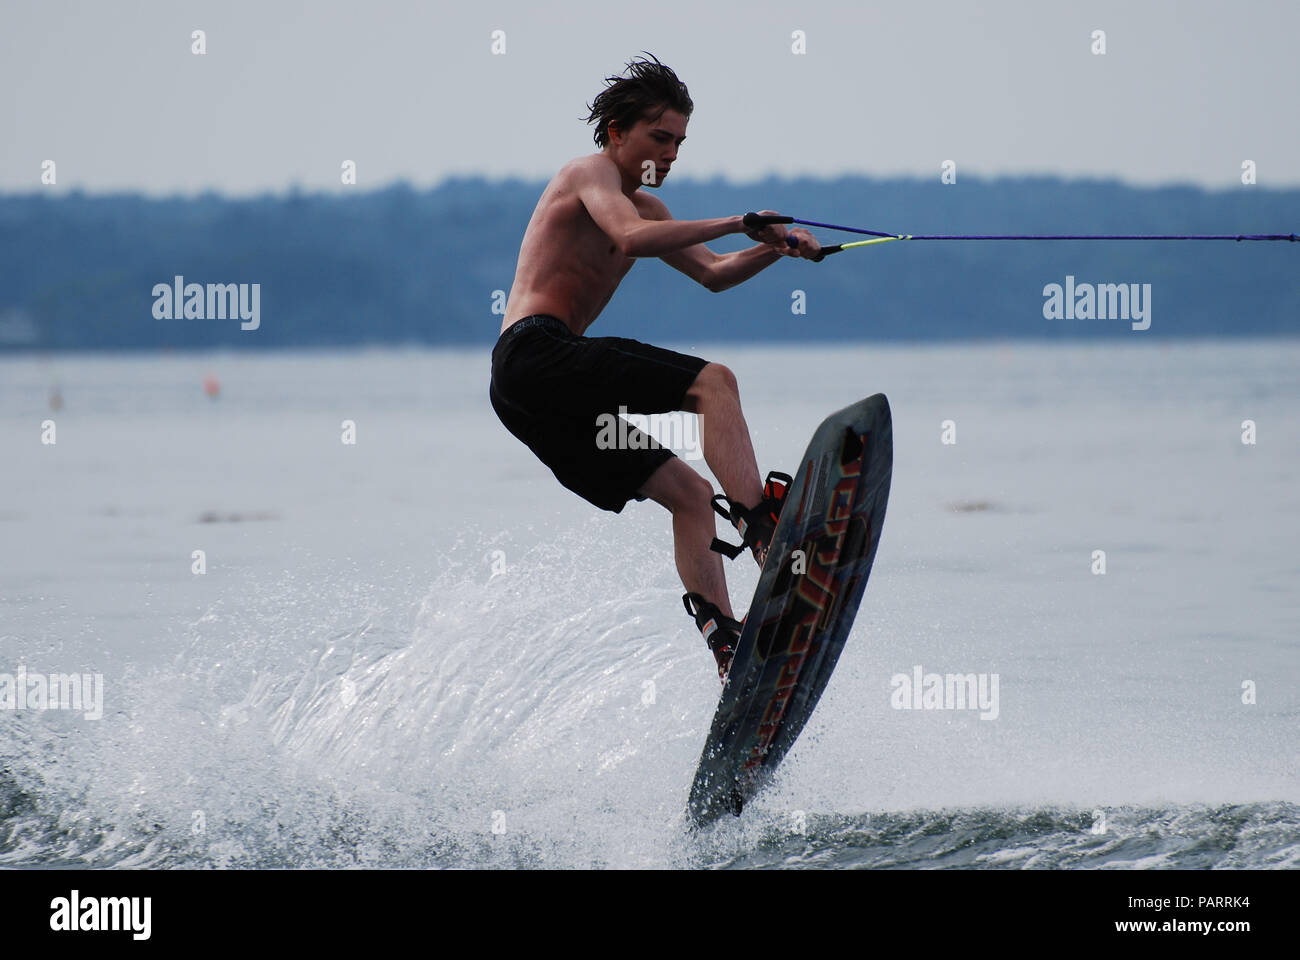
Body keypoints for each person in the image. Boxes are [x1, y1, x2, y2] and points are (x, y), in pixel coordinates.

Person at [489, 53, 820, 682]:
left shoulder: (653, 210)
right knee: (714, 383)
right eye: (657, 138)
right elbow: (628, 238)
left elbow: (715, 275)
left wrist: (774, 247)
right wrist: (739, 219)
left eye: (678, 144)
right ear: (616, 130)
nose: (668, 155)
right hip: (534, 352)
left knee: (690, 496)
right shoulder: (588, 174)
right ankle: (765, 536)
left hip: (531, 398)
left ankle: (730, 648)